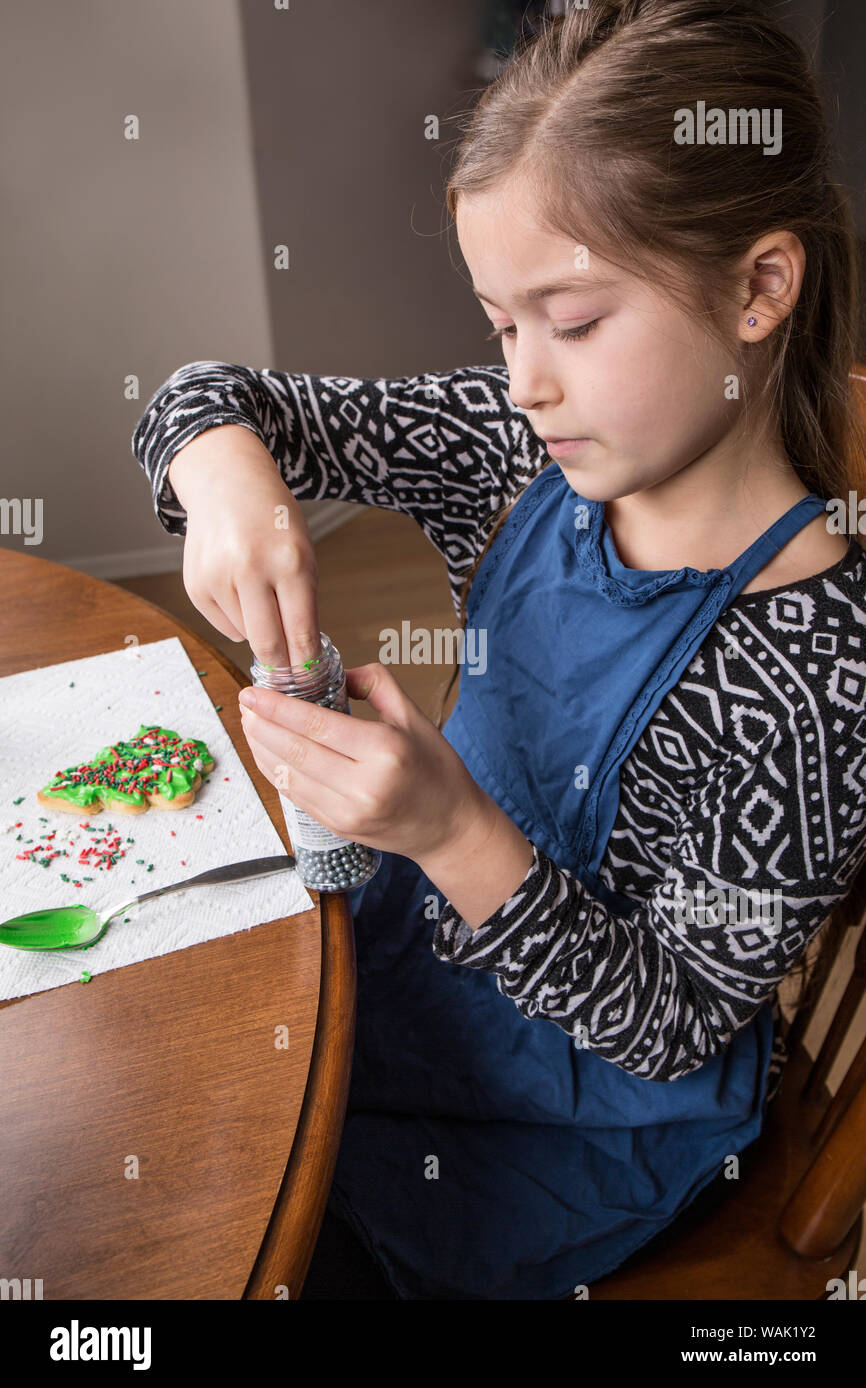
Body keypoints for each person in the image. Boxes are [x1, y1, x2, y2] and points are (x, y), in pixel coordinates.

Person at [130, 0, 866, 1300]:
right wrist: (227, 481)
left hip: (574, 1110)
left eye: (571, 323)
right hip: (413, 950)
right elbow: (208, 396)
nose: (522, 376)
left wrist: (450, 829)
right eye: (499, 322)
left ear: (758, 289)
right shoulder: (517, 447)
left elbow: (670, 1024)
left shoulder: (814, 684)